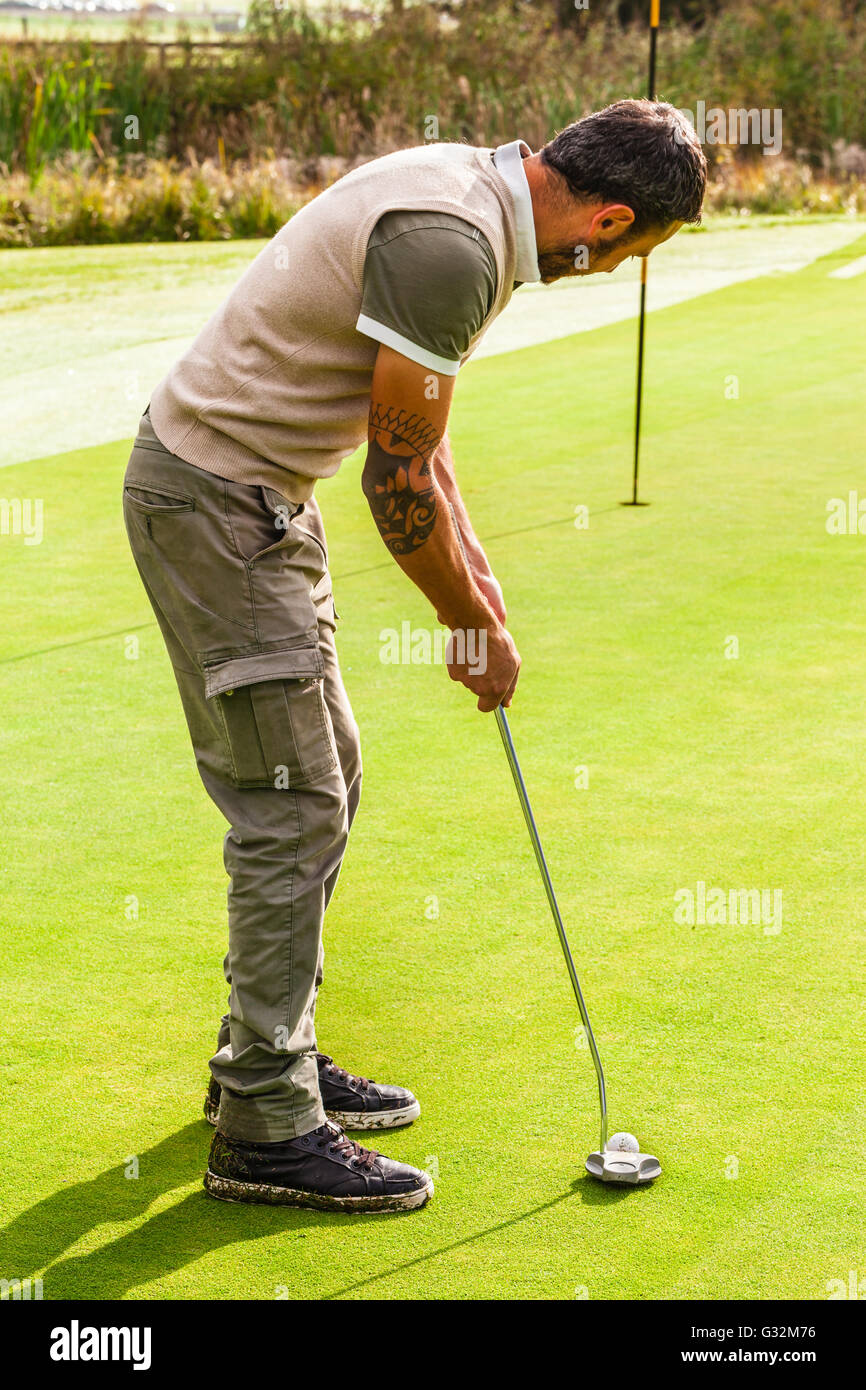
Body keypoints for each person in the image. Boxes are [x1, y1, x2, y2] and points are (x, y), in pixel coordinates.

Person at [122, 99, 706, 1214]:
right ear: (611, 219)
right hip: (216, 505)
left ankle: (267, 1049)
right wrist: (468, 629)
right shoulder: (452, 246)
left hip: (256, 502)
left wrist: (480, 590)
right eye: (633, 253)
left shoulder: (470, 191)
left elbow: (419, 453)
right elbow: (389, 486)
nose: (614, 269)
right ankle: (262, 1119)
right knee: (290, 803)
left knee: (326, 768)